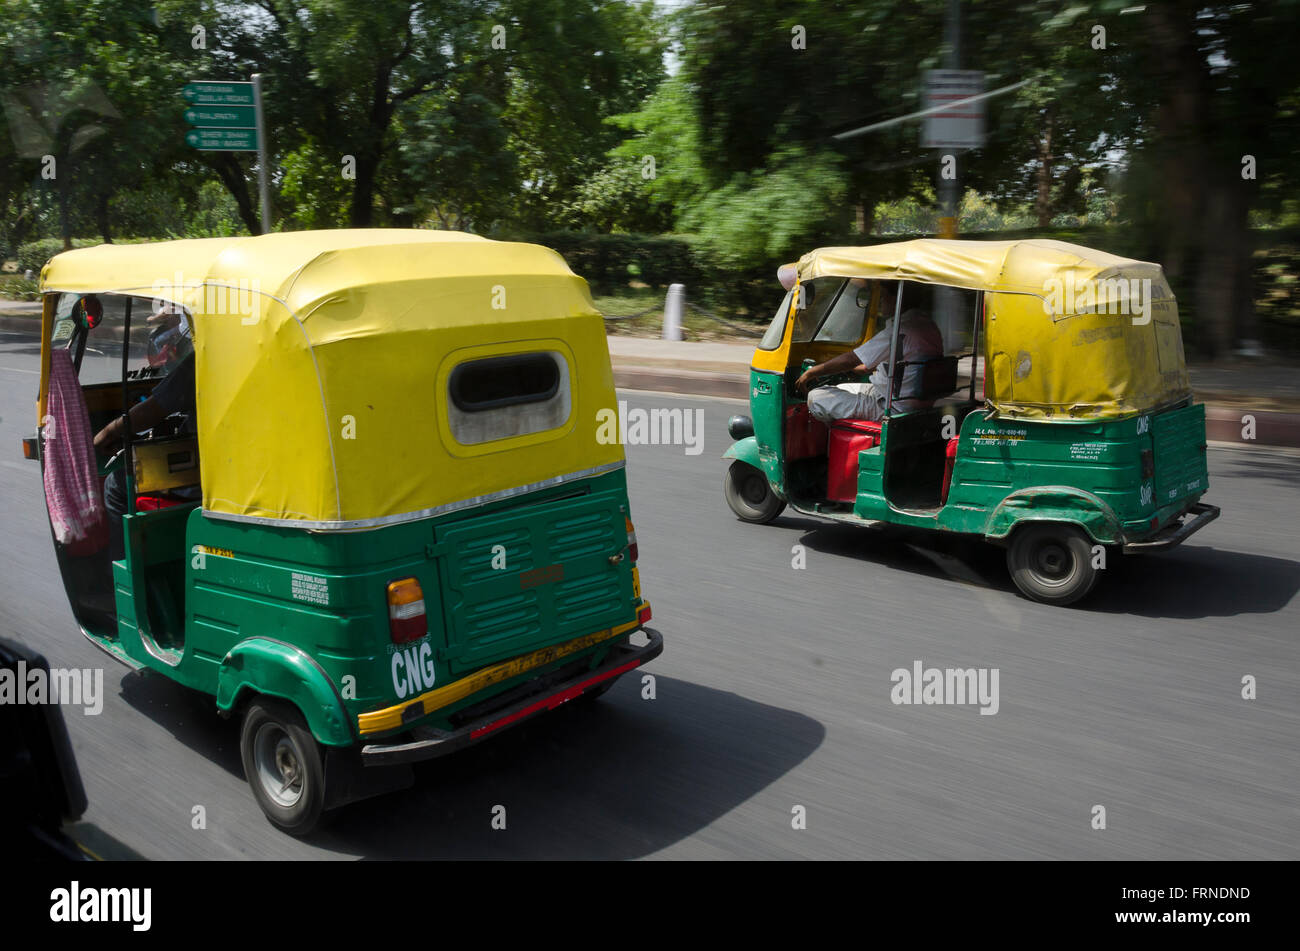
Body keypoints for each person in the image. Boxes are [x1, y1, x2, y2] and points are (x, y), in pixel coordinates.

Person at [93, 308, 197, 561]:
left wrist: (107, 432)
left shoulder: (202, 361)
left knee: (116, 485)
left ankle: (124, 569)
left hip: (205, 482)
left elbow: (150, 411)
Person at [796, 280, 943, 423]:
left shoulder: (899, 329)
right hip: (908, 400)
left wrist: (811, 372)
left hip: (891, 406)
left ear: (897, 299)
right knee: (839, 388)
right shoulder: (928, 326)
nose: (880, 301)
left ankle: (832, 440)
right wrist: (843, 368)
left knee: (816, 398)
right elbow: (866, 366)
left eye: (883, 296)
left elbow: (851, 359)